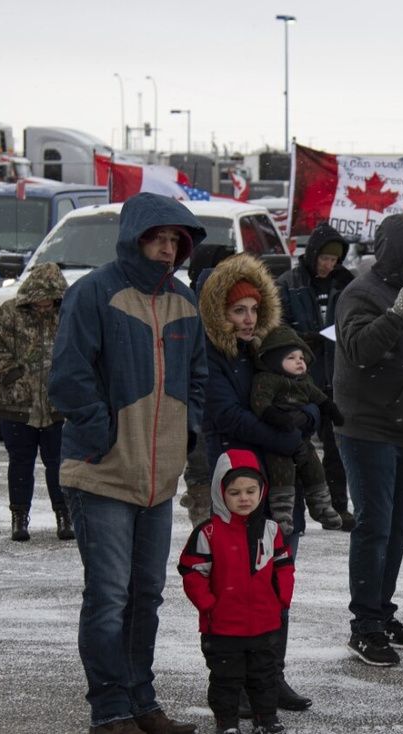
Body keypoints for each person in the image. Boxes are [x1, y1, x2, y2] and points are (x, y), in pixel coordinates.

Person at [48, 192, 206, 734]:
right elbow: (68, 377)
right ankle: (110, 708)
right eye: (158, 237)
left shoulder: (186, 300)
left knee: (147, 596)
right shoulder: (94, 292)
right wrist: (104, 436)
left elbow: (200, 379)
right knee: (109, 597)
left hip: (159, 479)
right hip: (103, 472)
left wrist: (188, 432)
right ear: (135, 238)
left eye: (175, 241)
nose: (166, 249)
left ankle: (142, 701)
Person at [198, 253, 314, 713]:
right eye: (237, 310)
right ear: (220, 313)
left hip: (282, 481)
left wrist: (304, 418)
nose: (247, 320)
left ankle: (270, 677)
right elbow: (226, 414)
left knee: (276, 581)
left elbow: (310, 396)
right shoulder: (210, 351)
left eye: (252, 309)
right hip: (236, 483)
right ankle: (238, 684)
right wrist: (286, 435)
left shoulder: (273, 345)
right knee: (236, 588)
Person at [333, 213, 403, 667]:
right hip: (369, 428)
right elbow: (359, 349)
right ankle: (364, 626)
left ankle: (382, 611)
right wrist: (398, 312)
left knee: (396, 529)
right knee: (375, 528)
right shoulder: (361, 293)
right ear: (399, 253)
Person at [178, 449, 294, 734]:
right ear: (221, 493)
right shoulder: (209, 533)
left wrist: (281, 598)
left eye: (251, 491)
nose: (244, 498)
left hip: (264, 623)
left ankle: (266, 719)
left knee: (264, 676)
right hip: (223, 626)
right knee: (226, 679)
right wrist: (209, 604)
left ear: (261, 490)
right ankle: (227, 722)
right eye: (235, 492)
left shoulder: (270, 529)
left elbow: (283, 566)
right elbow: (193, 571)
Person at [0, 262, 73, 542]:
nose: (45, 304)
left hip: (58, 407)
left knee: (59, 463)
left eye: (50, 299)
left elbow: (83, 351)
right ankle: (19, 517)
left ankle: (64, 516)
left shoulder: (68, 314)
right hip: (17, 405)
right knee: (20, 463)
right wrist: (12, 375)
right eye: (41, 298)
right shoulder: (9, 314)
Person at [277, 223, 356, 529]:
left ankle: (337, 506)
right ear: (312, 256)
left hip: (337, 375)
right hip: (299, 378)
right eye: (324, 259)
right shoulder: (289, 283)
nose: (328, 265)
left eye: (334, 261)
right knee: (297, 445)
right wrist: (302, 339)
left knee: (337, 448)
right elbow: (276, 326)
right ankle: (295, 508)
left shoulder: (347, 284)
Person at [250, 325, 344, 533]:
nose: (299, 361)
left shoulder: (304, 382)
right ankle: (282, 513)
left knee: (314, 467)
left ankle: (322, 507)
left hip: (302, 438)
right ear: (275, 361)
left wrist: (331, 410)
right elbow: (260, 403)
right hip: (277, 437)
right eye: (291, 358)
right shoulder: (267, 379)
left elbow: (319, 397)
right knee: (281, 472)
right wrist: (276, 417)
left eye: (301, 357)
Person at [180, 243, 236, 526]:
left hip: (226, 402)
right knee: (202, 467)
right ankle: (204, 525)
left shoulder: (236, 306)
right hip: (199, 402)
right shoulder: (187, 305)